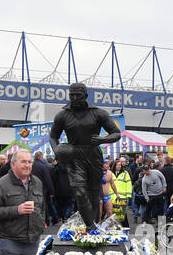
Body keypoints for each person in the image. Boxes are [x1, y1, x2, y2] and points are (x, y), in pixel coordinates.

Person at [48, 82, 122, 230]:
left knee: (94, 194)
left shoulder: (99, 113)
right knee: (80, 192)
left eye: (78, 96)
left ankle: (93, 225)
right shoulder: (62, 115)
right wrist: (58, 152)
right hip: (74, 155)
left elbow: (116, 133)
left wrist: (102, 139)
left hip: (93, 154)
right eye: (71, 96)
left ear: (86, 96)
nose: (74, 98)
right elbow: (53, 137)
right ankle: (90, 227)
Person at [31, 151, 56, 226]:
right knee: (44, 206)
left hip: (31, 189)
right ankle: (46, 222)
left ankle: (35, 221)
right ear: (41, 157)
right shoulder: (43, 166)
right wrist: (51, 191)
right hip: (42, 189)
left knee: (34, 206)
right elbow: (47, 180)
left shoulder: (31, 165)